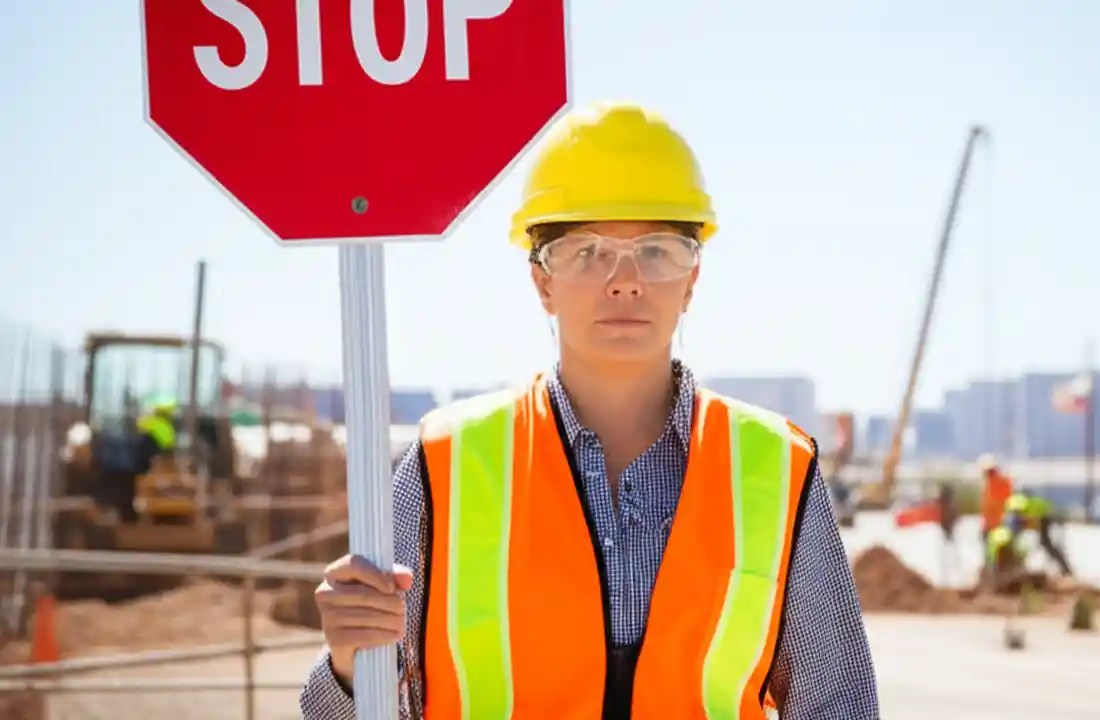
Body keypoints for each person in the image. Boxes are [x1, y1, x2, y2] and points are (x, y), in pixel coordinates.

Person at [299, 102, 880, 719]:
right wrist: (347, 664)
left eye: (657, 251)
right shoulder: (444, 465)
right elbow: (341, 712)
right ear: (542, 282)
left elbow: (838, 705)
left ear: (693, 278)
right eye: (587, 253)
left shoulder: (777, 469)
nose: (625, 280)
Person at [978, 454, 1012, 550]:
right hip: (990, 523)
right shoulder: (990, 483)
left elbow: (1005, 500)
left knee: (998, 547)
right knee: (989, 545)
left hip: (999, 522)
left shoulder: (1000, 481)